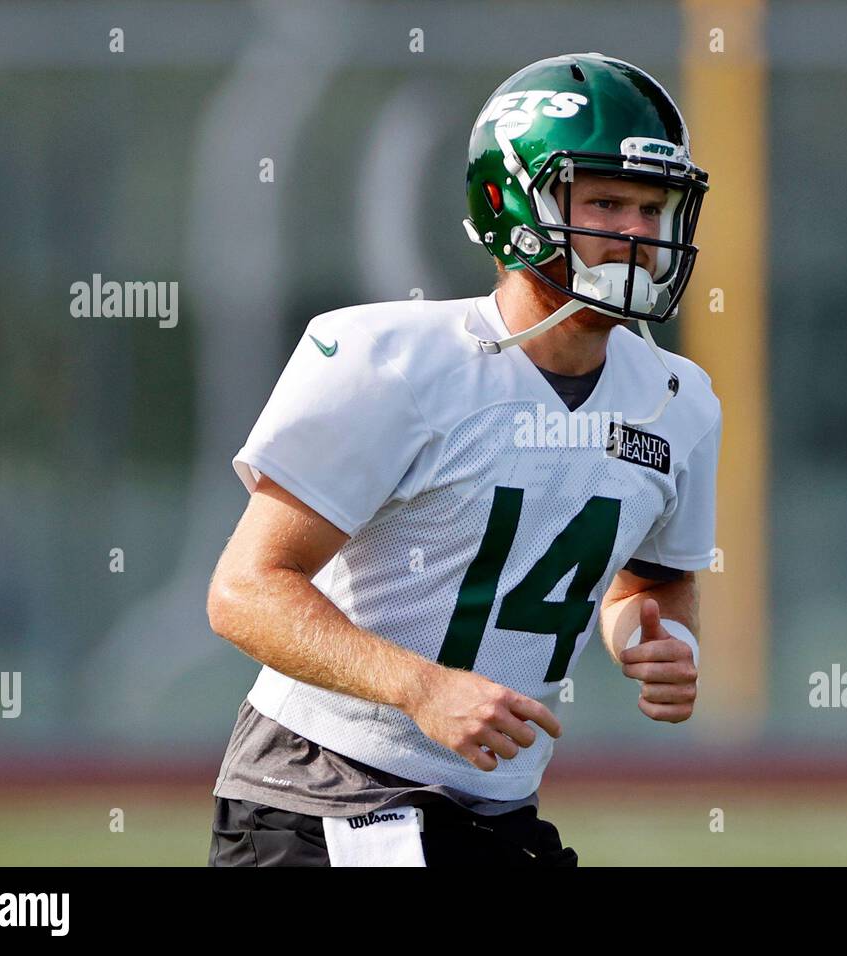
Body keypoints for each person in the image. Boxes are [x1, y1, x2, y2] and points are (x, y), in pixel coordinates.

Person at [205, 52, 719, 866]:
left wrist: (658, 645)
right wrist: (420, 686)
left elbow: (652, 579)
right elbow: (245, 591)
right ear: (511, 202)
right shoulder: (390, 362)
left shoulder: (676, 399)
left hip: (493, 808)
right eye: (608, 201)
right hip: (328, 793)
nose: (636, 233)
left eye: (654, 208)